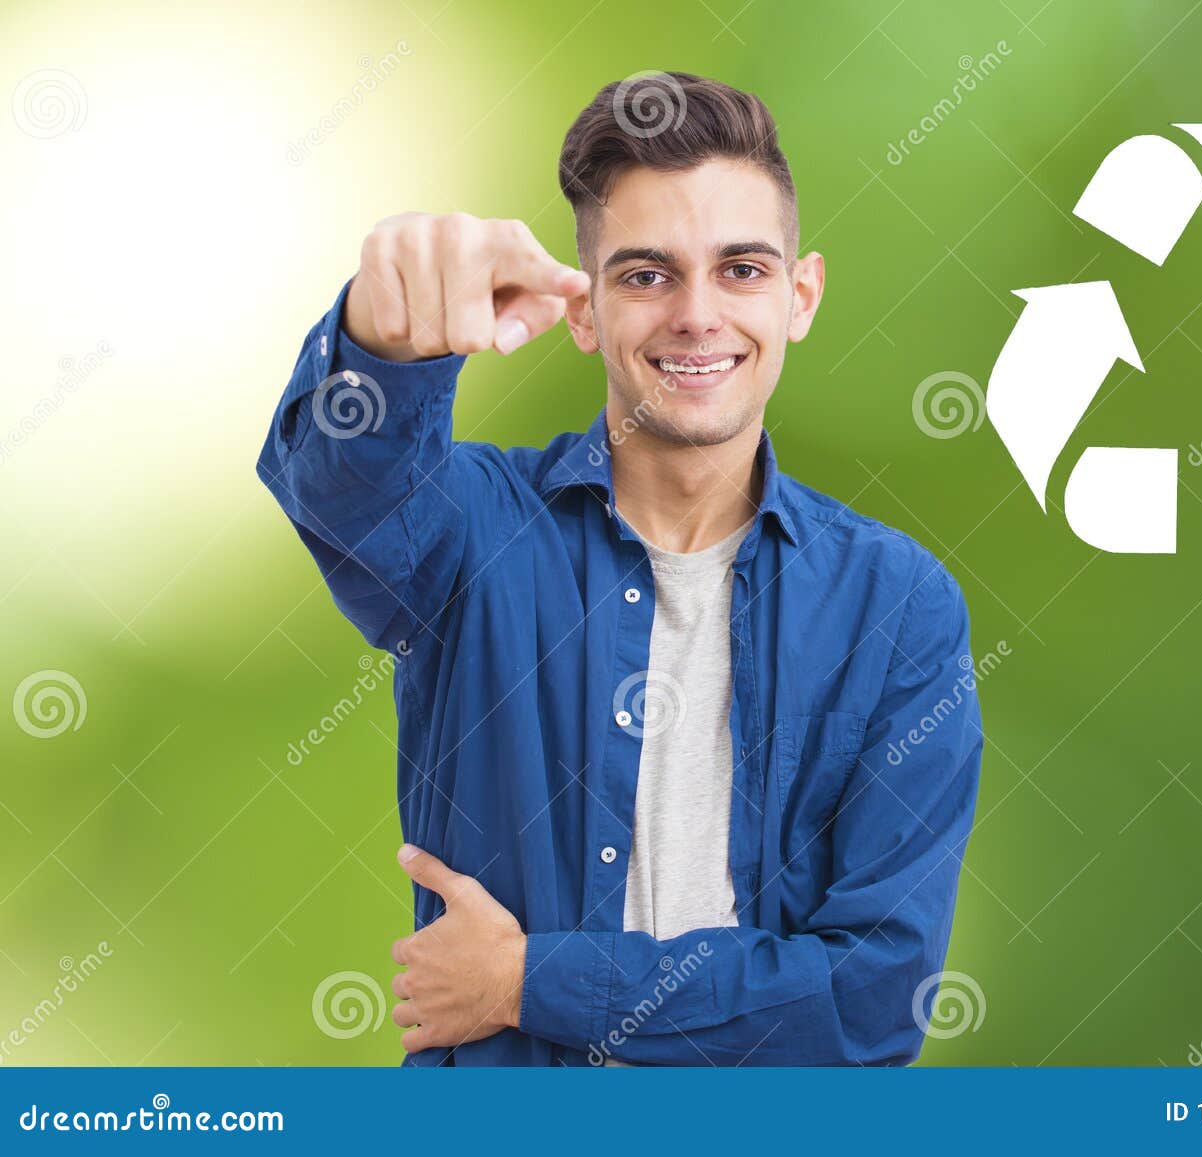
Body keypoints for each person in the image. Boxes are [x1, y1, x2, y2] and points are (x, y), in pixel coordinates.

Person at [256, 71, 983, 1066]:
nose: (696, 314)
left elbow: (870, 1002)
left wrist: (522, 979)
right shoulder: (476, 534)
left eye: (740, 270)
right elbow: (338, 491)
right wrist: (384, 344)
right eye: (645, 275)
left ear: (798, 295)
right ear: (585, 311)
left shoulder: (895, 605)